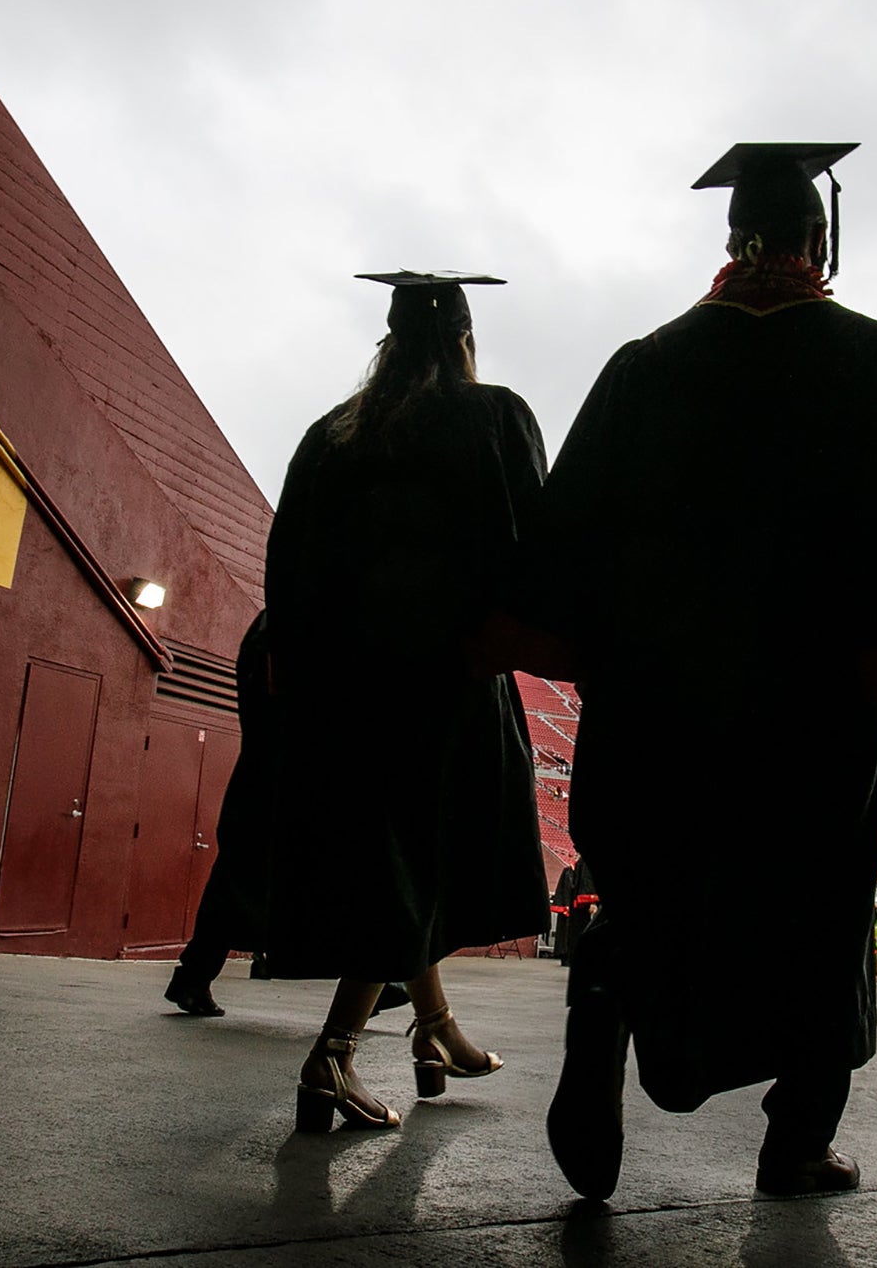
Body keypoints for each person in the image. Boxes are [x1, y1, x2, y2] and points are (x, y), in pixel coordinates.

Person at [536, 141, 877, 1201]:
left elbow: (568, 532)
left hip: (661, 699)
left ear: (728, 241)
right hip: (809, 700)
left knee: (662, 882)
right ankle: (795, 1143)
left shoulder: (643, 362)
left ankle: (608, 985)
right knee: (817, 908)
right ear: (817, 241)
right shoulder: (869, 354)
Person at [260, 270, 551, 1134]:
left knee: (394, 856)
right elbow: (531, 544)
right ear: (464, 341)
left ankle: (435, 1030)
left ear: (389, 344)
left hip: (340, 689)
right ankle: (334, 1055)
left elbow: (288, 563)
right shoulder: (493, 414)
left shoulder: (331, 433)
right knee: (422, 862)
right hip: (447, 680)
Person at [163, 612, 410, 1019]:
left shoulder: (272, 626)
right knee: (343, 871)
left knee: (239, 875)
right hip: (298, 776)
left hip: (265, 774)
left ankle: (193, 976)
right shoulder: (313, 626)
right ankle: (369, 977)